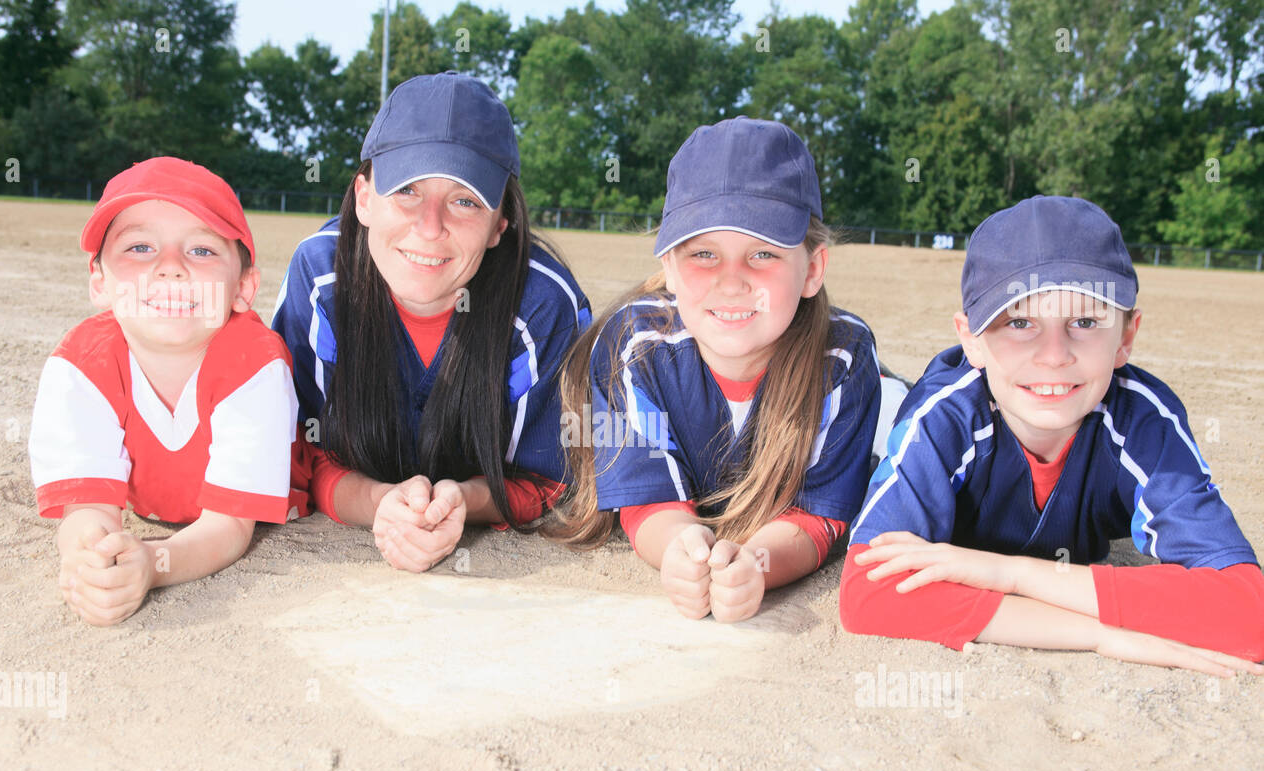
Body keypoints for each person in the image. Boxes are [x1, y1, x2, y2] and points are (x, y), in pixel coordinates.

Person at [841, 195, 1264, 676]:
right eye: (1020, 323)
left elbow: (1248, 612)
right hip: (895, 432)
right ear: (972, 338)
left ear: (1126, 336)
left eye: (1084, 322)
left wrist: (1008, 573)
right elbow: (867, 593)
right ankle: (888, 386)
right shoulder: (945, 417)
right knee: (886, 423)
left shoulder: (1143, 419)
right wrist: (1099, 635)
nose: (1054, 354)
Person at [549, 117, 882, 623]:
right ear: (669, 264)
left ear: (812, 269)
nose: (732, 283)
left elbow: (819, 516)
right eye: (704, 253)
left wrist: (758, 564)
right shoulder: (633, 345)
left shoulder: (844, 358)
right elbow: (647, 498)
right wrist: (683, 551)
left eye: (763, 253)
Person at [273, 72, 591, 572]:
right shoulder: (321, 278)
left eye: (464, 200)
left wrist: (464, 500)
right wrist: (378, 501)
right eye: (406, 190)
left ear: (498, 225)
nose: (430, 226)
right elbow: (294, 452)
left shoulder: (541, 303)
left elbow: (550, 477)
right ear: (363, 198)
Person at [29, 157, 307, 626]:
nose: (171, 268)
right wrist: (92, 560)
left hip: (269, 501)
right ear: (99, 281)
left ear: (243, 288)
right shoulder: (81, 363)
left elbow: (229, 525)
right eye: (139, 247)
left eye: (201, 251)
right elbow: (89, 507)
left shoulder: (255, 362)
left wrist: (154, 565)